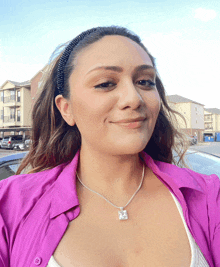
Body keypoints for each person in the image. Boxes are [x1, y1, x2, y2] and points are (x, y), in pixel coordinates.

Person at [0, 26, 219, 267]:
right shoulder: (9, 205)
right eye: (105, 84)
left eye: (145, 81)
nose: (134, 98)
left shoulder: (210, 199)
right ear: (66, 108)